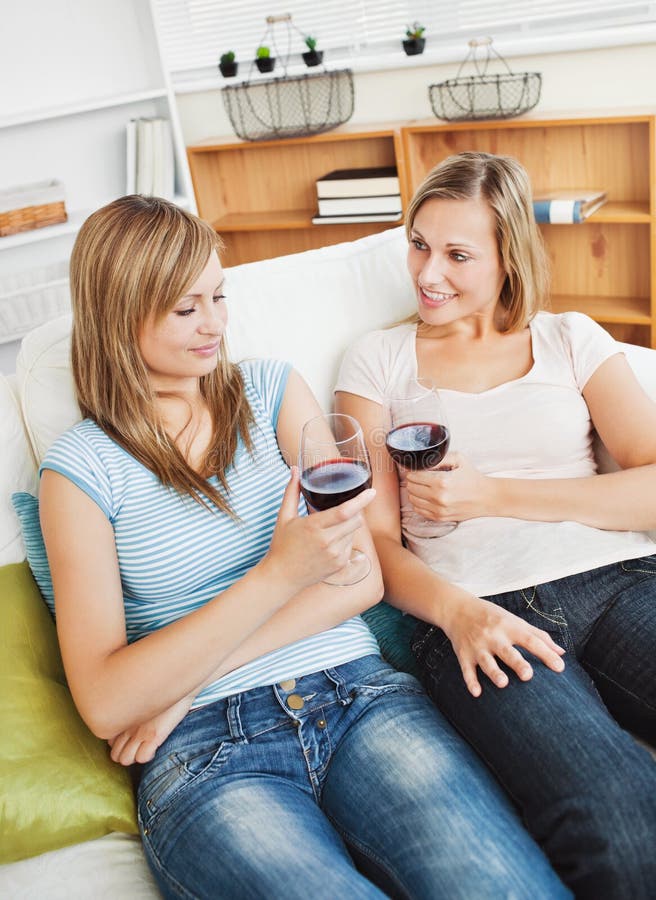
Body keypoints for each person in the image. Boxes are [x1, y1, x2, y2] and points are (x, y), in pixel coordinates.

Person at [38, 195, 568, 900]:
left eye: (219, 297)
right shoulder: (80, 472)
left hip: (357, 699)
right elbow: (107, 702)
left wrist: (184, 680)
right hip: (204, 754)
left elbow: (360, 582)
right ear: (118, 311)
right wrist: (279, 575)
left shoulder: (272, 391)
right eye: (186, 307)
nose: (216, 324)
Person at [336, 150, 656, 900]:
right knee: (624, 821)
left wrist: (495, 494)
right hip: (480, 612)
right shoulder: (379, 361)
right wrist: (457, 616)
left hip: (617, 582)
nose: (427, 274)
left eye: (457, 254)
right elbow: (376, 544)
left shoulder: (570, 339)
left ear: (509, 256)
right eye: (418, 244)